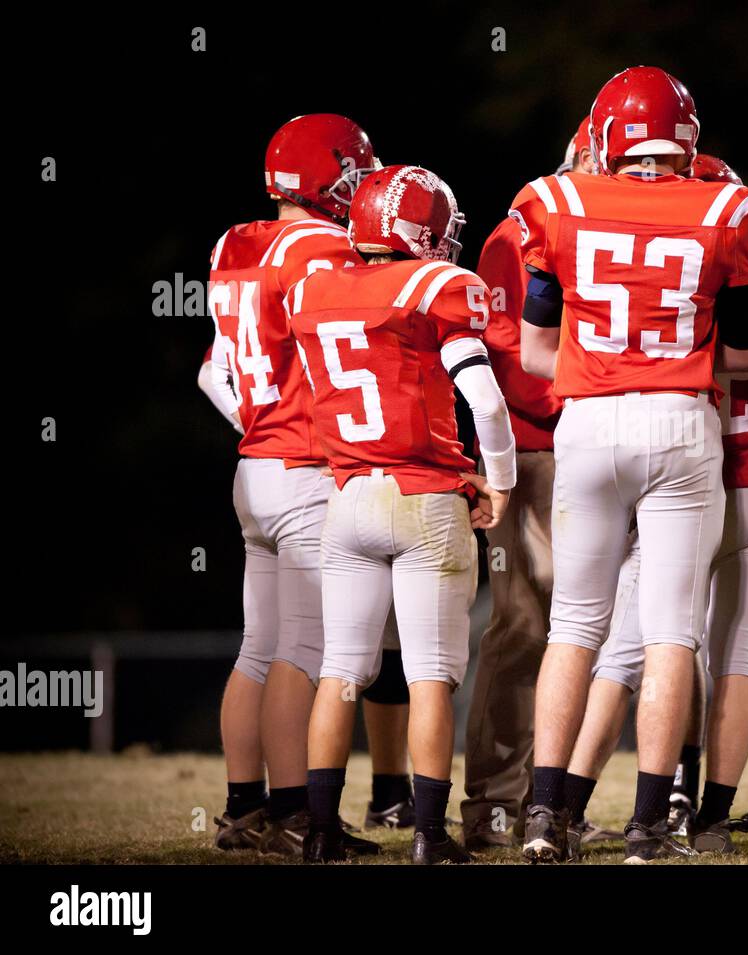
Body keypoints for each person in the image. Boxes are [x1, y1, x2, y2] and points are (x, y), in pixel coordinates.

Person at [513, 66, 748, 863]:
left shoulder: (556, 203)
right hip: (679, 422)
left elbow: (533, 349)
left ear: (605, 138)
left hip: (588, 422)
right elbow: (740, 352)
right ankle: (649, 826)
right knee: (670, 632)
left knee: (575, 626)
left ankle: (542, 815)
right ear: (686, 140)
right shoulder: (727, 210)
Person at [287, 164, 516, 863]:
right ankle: (426, 833)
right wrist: (499, 480)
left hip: (348, 496)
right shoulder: (438, 286)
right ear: (425, 231)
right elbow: (486, 400)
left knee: (340, 670)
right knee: (428, 675)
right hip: (424, 498)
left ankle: (320, 831)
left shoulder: (314, 287)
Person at [205, 113, 387, 856]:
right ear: (332, 176)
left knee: (260, 645)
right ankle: (290, 813)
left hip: (254, 465)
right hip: (306, 467)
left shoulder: (233, 242)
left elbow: (211, 369)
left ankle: (242, 810)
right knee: (304, 651)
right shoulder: (328, 250)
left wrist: (261, 421)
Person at [459, 120, 592, 851]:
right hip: (534, 449)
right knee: (522, 627)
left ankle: (556, 800)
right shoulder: (519, 233)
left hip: (599, 447)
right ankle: (493, 801)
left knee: (589, 634)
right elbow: (508, 347)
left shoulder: (604, 224)